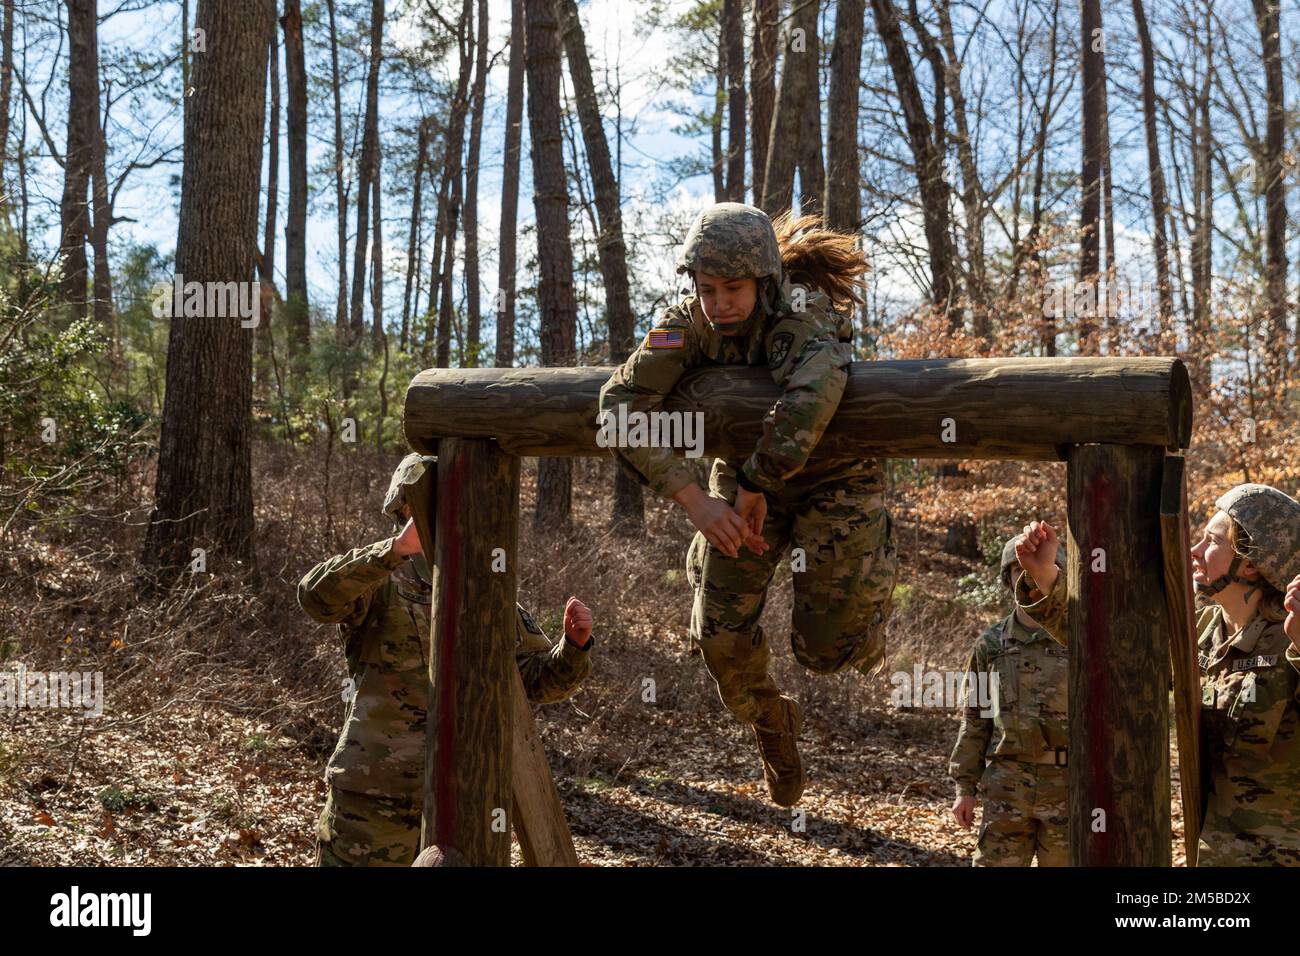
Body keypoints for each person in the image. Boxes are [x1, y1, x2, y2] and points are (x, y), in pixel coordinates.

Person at [598, 203, 896, 807]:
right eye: (706, 289)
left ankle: (871, 585)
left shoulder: (803, 311)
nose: (718, 302)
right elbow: (617, 405)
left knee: (825, 653)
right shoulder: (682, 325)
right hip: (740, 481)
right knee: (718, 639)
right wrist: (695, 501)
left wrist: (756, 483)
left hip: (835, 481)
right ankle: (771, 722)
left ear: (765, 280)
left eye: (732, 288)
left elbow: (815, 392)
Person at [297, 453, 594, 866]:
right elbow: (315, 597)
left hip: (466, 801)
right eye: (419, 510)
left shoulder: (487, 588)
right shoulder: (379, 582)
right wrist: (393, 551)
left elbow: (535, 684)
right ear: (401, 511)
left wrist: (574, 647)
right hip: (376, 798)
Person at [1014, 484, 1300, 866]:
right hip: (1215, 856)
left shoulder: (1289, 637)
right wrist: (1047, 576)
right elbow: (1115, 654)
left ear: (1250, 563)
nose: (1195, 551)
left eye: (1211, 542)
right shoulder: (1198, 631)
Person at [949, 536, 1070, 866]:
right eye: (1019, 568)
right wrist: (965, 787)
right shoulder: (992, 643)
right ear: (1007, 577)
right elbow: (976, 717)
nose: (1028, 575)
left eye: (1042, 567)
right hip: (1006, 786)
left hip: (1068, 787)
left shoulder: (1079, 637)